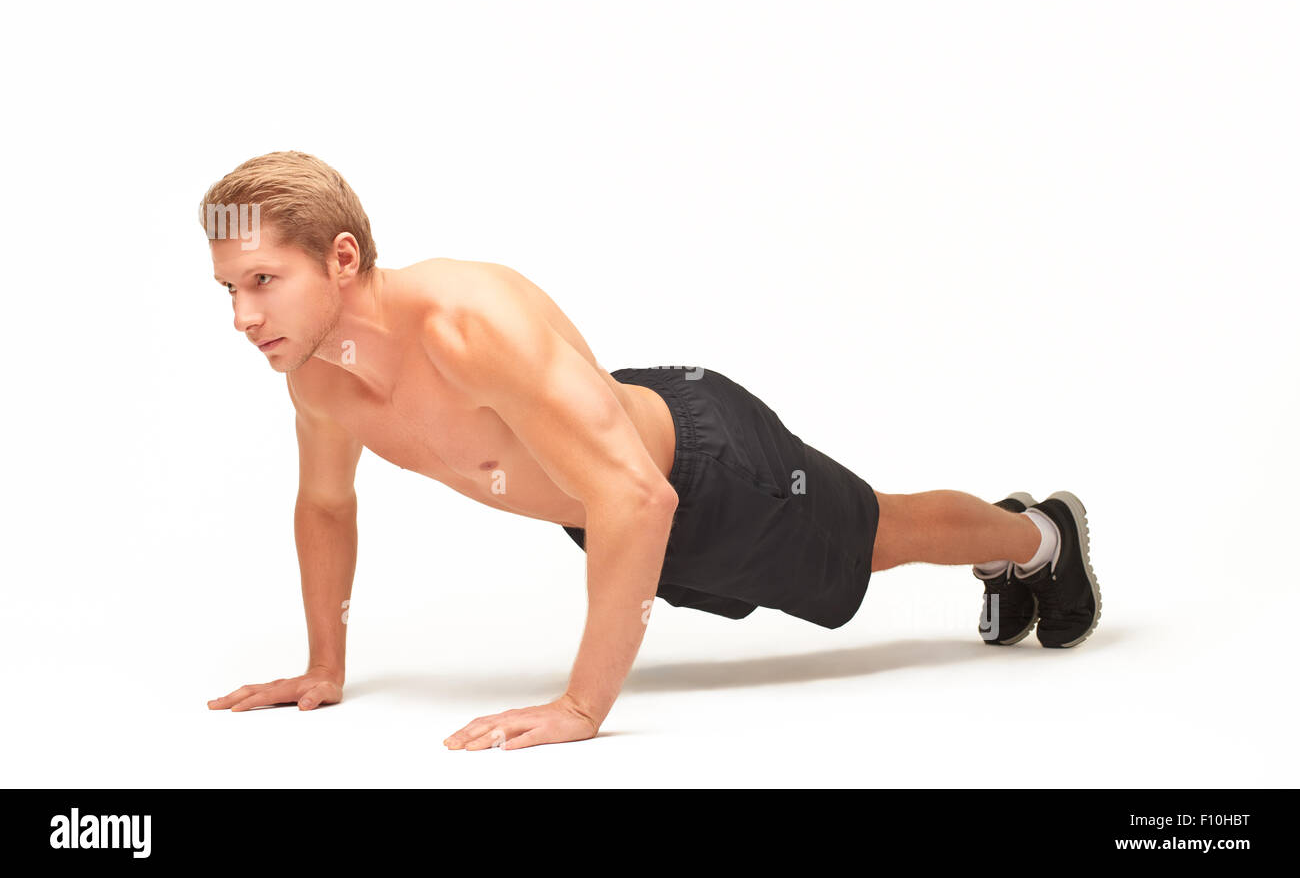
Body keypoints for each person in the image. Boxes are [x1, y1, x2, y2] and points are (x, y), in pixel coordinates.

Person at [201, 150, 1102, 751]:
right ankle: (1018, 544)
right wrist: (326, 667)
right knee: (861, 536)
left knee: (879, 534)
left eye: (264, 282)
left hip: (709, 472)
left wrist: (581, 707)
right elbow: (325, 503)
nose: (242, 318)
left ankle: (1039, 539)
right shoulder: (316, 374)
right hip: (613, 497)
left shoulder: (469, 329)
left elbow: (639, 501)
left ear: (344, 259)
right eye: (229, 289)